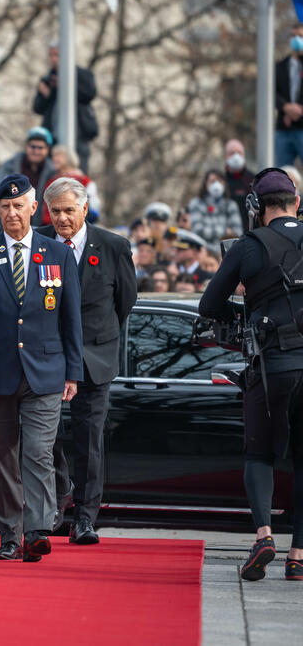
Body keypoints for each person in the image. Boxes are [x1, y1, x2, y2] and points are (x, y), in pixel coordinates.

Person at [0, 174, 83, 562]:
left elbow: (70, 317)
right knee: (2, 458)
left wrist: (73, 371)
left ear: (33, 208)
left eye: (18, 206)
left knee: (40, 453)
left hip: (46, 370)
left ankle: (38, 530)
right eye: (5, 206)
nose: (12, 212)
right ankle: (10, 534)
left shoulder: (57, 254)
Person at [199, 167, 303, 581]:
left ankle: (264, 536)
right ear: (297, 203)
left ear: (257, 208)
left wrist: (247, 309)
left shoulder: (248, 245)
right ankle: (298, 556)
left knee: (259, 453)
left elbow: (209, 305)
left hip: (271, 366)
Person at [38, 178, 137, 544]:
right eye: (56, 211)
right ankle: (56, 501)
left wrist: (94, 339)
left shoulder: (113, 247)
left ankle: (85, 518)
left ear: (84, 208)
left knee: (89, 440)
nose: (62, 218)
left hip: (94, 358)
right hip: (46, 358)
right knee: (44, 438)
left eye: (69, 210)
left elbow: (125, 302)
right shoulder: (37, 243)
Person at [32, 42, 99, 171]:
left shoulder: (82, 74)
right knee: (52, 174)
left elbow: (89, 93)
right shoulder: (47, 79)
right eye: (51, 55)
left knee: (78, 172)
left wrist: (65, 84)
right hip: (53, 137)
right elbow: (37, 108)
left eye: (57, 55)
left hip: (78, 135)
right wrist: (46, 94)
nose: (54, 59)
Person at [0, 128, 56, 225]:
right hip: (10, 225)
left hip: (40, 227)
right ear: (26, 146)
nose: (36, 151)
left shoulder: (53, 171)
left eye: (40, 148)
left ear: (47, 150)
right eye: (33, 147)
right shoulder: (11, 166)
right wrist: (7, 198)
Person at [188, 169, 243, 252]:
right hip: (204, 251)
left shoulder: (231, 205)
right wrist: (225, 231)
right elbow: (197, 230)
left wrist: (211, 232)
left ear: (224, 184)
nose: (216, 185)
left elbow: (237, 233)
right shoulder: (196, 203)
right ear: (205, 184)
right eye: (212, 181)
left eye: (219, 181)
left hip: (227, 252)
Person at [275, 23, 303, 168]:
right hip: (284, 128)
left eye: (300, 36)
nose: (296, 39)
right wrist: (285, 107)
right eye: (293, 35)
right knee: (281, 173)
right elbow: (271, 92)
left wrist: (298, 110)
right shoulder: (280, 66)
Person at [224, 139, 255, 233]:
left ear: (244, 156)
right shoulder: (221, 181)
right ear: (225, 156)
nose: (236, 156)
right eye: (232, 153)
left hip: (249, 232)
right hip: (227, 233)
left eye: (239, 153)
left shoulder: (253, 180)